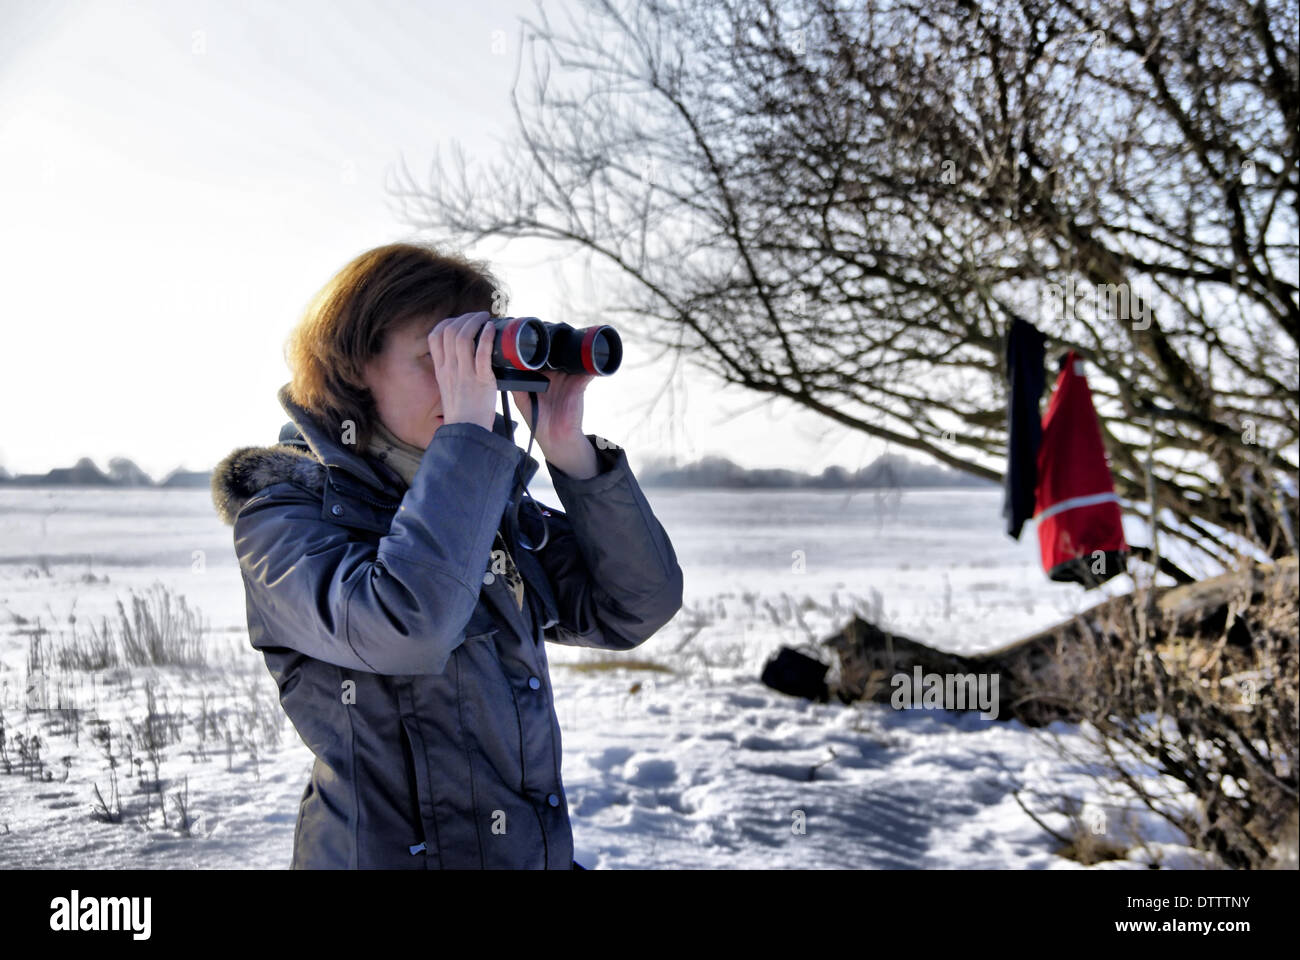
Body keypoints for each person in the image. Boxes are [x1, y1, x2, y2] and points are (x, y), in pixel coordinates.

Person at [210, 242, 684, 869]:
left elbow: (635, 607)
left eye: (476, 361)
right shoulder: (283, 512)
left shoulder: (483, 500)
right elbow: (406, 628)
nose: (468, 385)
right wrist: (467, 441)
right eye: (436, 360)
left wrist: (567, 445)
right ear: (355, 367)